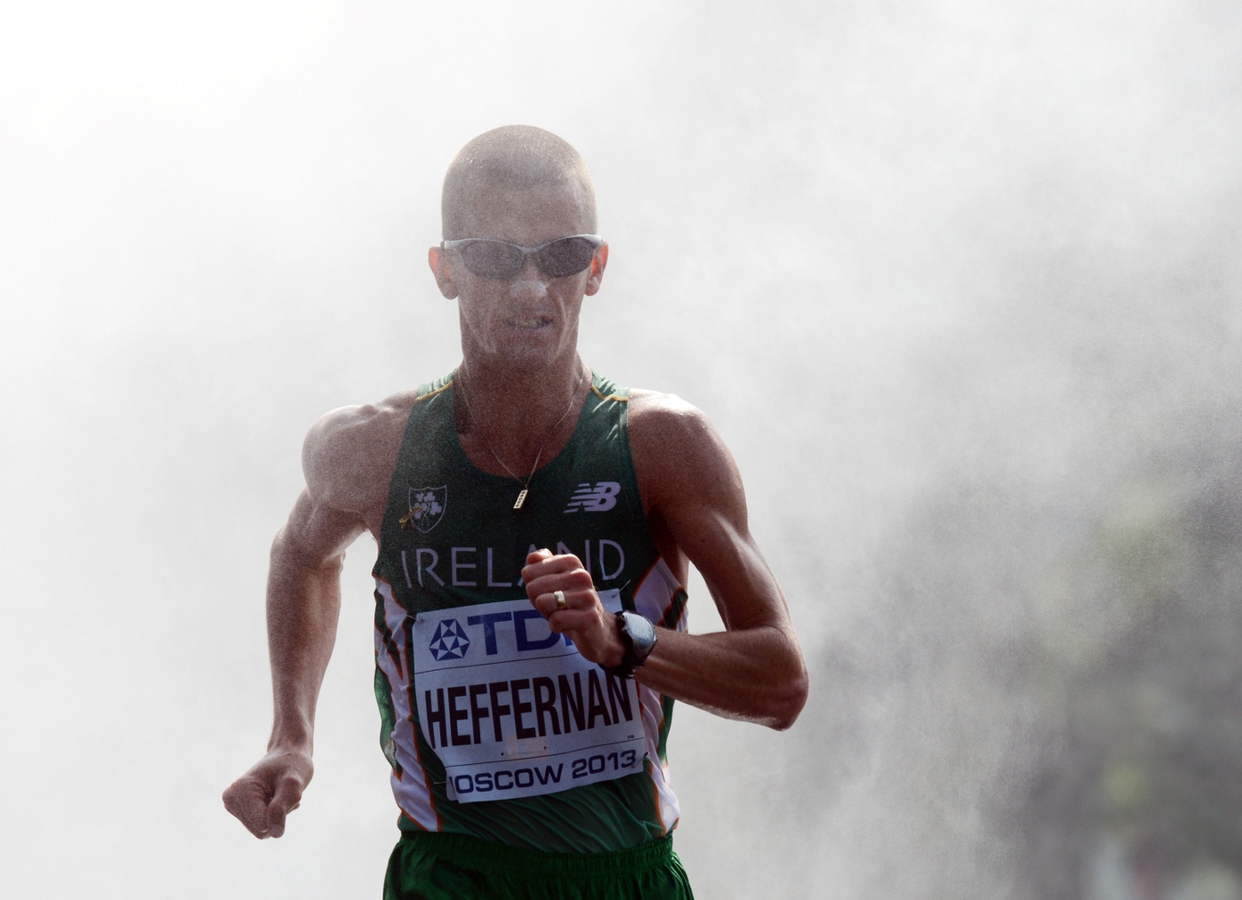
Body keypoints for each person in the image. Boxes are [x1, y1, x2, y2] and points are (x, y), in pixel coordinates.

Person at [222, 125, 809, 899]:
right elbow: (301, 554)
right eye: (496, 257)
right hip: (452, 878)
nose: (531, 288)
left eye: (560, 255)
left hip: (622, 880)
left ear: (595, 268)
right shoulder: (376, 450)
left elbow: (780, 681)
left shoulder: (664, 446)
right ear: (445, 271)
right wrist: (290, 735)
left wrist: (622, 638)